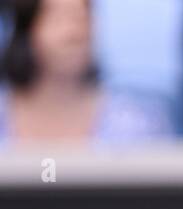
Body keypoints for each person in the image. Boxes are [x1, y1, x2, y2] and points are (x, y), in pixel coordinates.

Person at [0, 0, 173, 143]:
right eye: (57, 19)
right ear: (25, 30)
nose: (74, 33)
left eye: (82, 18)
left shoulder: (137, 125)